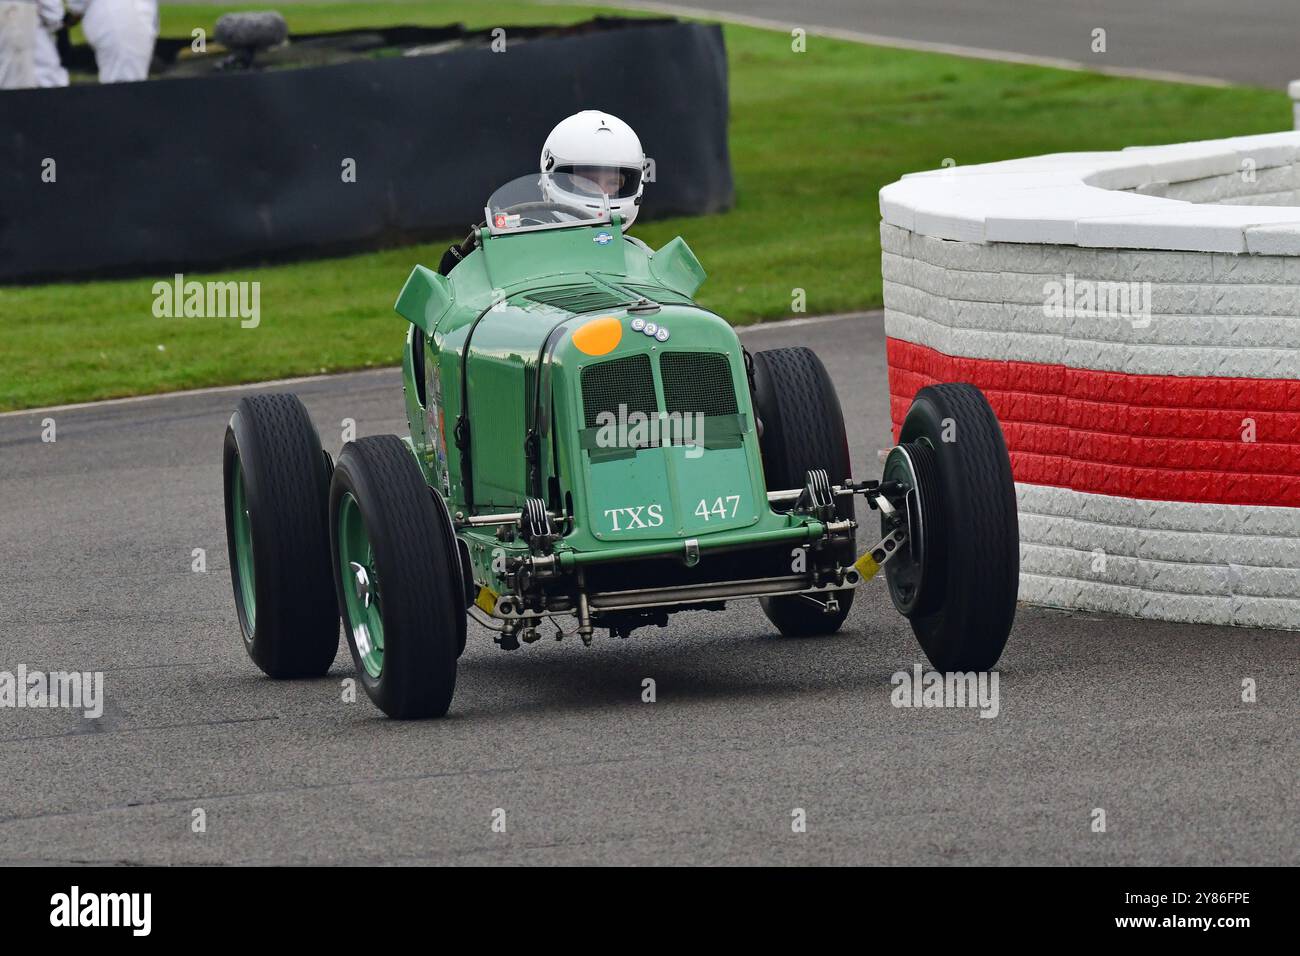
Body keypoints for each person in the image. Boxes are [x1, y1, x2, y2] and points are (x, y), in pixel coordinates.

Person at [439, 110, 647, 275]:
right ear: (551, 174)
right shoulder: (512, 245)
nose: (602, 192)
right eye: (587, 181)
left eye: (614, 182)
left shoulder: (641, 256)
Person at [65, 0, 157, 83]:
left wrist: (64, 19)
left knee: (122, 83)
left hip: (117, 20)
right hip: (139, 17)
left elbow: (76, 8)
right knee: (132, 80)